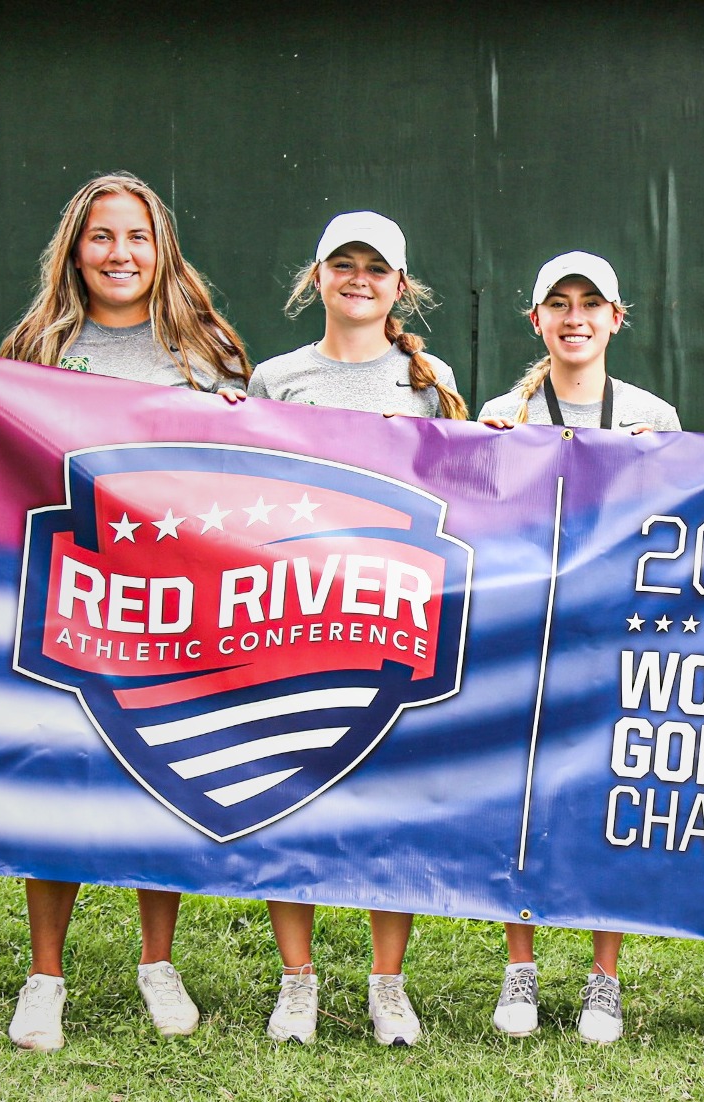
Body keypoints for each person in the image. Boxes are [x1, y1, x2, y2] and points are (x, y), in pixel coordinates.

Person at [0, 172, 250, 1051]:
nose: (119, 254)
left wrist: (240, 419)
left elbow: (245, 476)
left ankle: (157, 962)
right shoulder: (36, 347)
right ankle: (44, 974)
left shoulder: (206, 351)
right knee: (59, 775)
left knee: (159, 774)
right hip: (68, 593)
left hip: (170, 603)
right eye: (101, 236)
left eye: (136, 237)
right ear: (75, 250)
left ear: (161, 248)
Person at [240, 210, 468, 1046]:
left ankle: (387, 983)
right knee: (287, 788)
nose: (360, 279)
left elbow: (459, 490)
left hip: (393, 611)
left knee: (390, 793)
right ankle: (296, 980)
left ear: (400, 285)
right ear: (318, 276)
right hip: (292, 612)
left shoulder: (430, 379)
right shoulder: (276, 377)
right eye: (344, 264)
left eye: (377, 267)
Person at [478, 251, 679, 1045]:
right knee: (524, 799)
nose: (575, 317)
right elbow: (482, 520)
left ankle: (604, 977)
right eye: (558, 303)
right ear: (537, 321)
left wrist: (656, 464)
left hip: (614, 634)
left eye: (591, 303)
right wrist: (485, 451)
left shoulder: (653, 414)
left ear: (616, 319)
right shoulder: (507, 411)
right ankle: (519, 966)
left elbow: (679, 527)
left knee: (606, 798)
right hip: (528, 634)